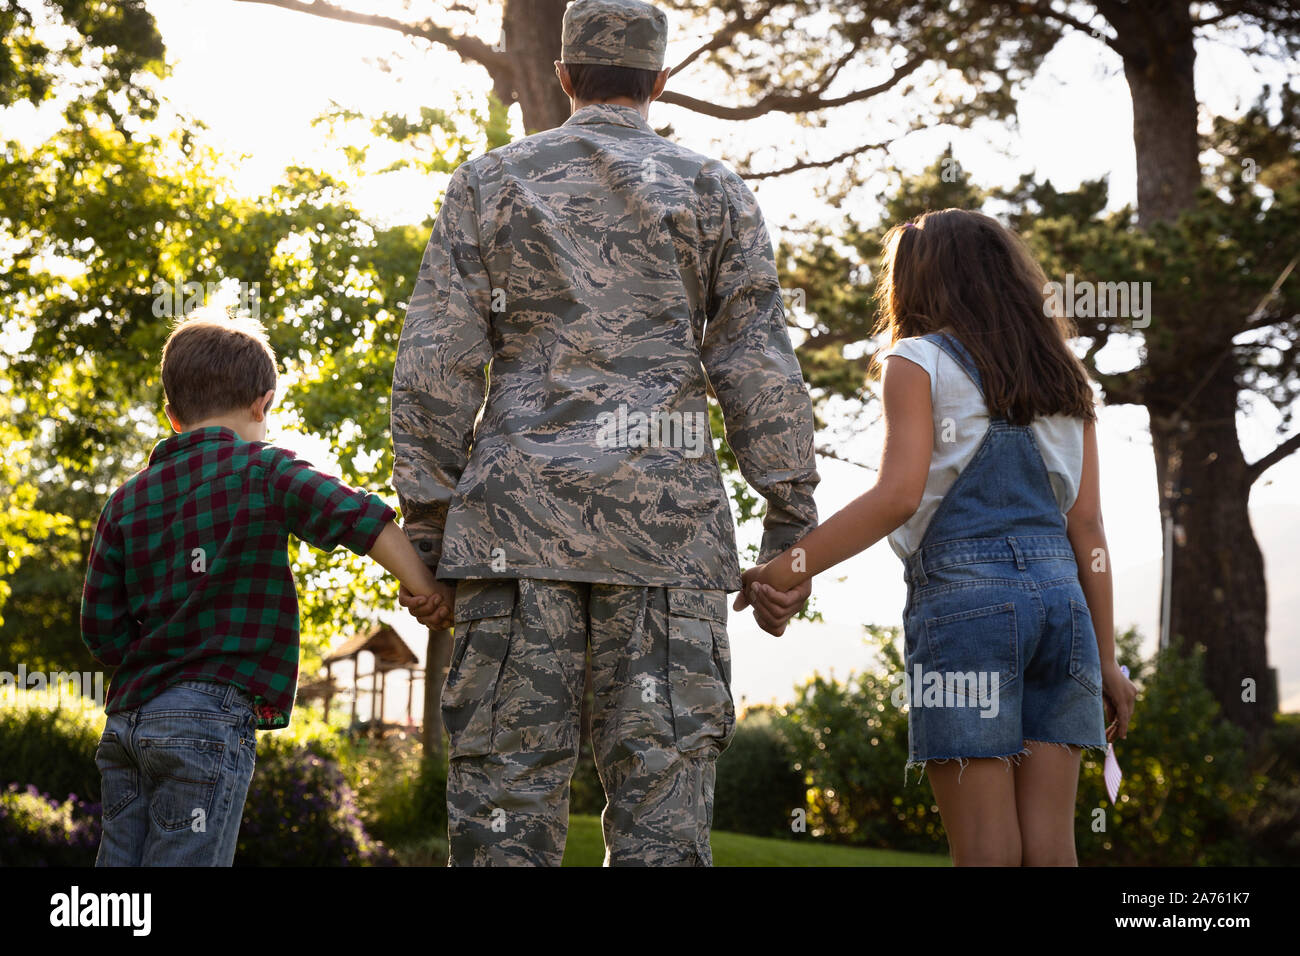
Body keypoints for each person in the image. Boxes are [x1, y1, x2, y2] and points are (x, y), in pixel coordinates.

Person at [391, 0, 819, 866]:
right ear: (659, 82)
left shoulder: (489, 182)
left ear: (563, 75)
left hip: (512, 537)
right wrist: (790, 524)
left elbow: (436, 361)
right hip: (666, 543)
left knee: (504, 824)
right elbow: (756, 363)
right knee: (663, 827)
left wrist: (428, 526)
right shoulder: (714, 190)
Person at [738, 209, 1139, 866]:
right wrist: (1106, 659)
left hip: (966, 610)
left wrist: (787, 569)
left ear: (916, 285)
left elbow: (896, 496)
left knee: (986, 849)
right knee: (1051, 848)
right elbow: (1088, 529)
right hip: (1064, 611)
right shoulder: (1066, 378)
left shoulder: (915, 360)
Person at [81, 311, 439, 866]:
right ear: (262, 403)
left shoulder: (125, 501)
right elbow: (358, 517)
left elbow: (100, 628)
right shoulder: (264, 471)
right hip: (206, 717)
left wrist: (155, 662)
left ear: (172, 415)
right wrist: (426, 590)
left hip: (129, 724)